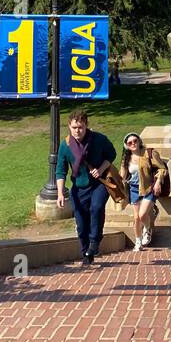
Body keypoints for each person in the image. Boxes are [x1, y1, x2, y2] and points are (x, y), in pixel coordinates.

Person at [55, 110, 117, 266]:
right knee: (81, 224)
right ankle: (86, 253)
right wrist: (61, 193)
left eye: (81, 127)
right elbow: (61, 171)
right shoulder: (65, 145)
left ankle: (95, 242)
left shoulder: (99, 139)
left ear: (86, 125)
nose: (77, 131)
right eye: (74, 127)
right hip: (79, 186)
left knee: (96, 207)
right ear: (69, 126)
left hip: (99, 184)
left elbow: (111, 154)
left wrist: (101, 169)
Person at [121, 132, 168, 252]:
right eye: (130, 142)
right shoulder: (126, 158)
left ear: (139, 141)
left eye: (135, 141)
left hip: (149, 187)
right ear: (126, 145)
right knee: (136, 218)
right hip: (134, 189)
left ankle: (147, 228)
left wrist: (158, 182)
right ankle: (138, 242)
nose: (133, 144)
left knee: (142, 215)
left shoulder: (149, 153)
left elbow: (162, 169)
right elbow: (123, 176)